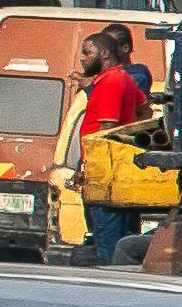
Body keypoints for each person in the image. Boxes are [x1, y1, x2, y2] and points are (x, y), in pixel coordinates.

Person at [66, 21, 154, 264]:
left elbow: (105, 132)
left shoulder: (110, 83)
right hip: (118, 176)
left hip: (105, 178)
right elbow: (145, 112)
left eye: (87, 52)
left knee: (108, 254)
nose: (83, 59)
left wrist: (89, 170)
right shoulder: (123, 79)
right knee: (119, 247)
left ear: (103, 54)